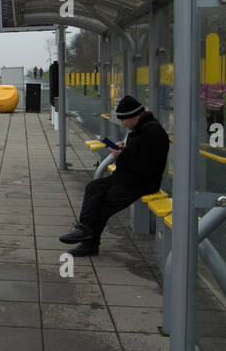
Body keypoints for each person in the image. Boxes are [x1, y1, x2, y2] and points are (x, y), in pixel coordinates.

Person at [59, 95, 169, 257]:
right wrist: (124, 150)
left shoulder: (152, 133)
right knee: (93, 187)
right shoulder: (139, 128)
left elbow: (146, 168)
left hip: (141, 182)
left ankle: (89, 242)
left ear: (133, 116)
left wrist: (121, 156)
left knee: (102, 205)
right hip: (127, 176)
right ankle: (84, 229)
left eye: (123, 119)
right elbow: (137, 156)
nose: (122, 123)